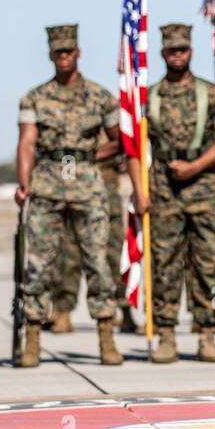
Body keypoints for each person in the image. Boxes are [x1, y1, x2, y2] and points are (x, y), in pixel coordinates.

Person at [16, 26, 123, 366]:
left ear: (78, 53)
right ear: (51, 56)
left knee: (97, 262)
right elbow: (27, 142)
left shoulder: (100, 96)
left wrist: (90, 155)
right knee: (39, 264)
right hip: (47, 184)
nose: (63, 57)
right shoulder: (35, 97)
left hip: (87, 186)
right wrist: (23, 183)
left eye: (68, 51)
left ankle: (106, 336)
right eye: (57, 52)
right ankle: (32, 336)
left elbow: (120, 139)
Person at [131, 22, 215, 362]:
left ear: (191, 52)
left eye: (183, 49)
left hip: (204, 188)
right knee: (165, 266)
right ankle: (165, 335)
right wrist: (139, 191)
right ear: (163, 53)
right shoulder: (150, 96)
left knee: (208, 266)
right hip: (163, 189)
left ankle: (208, 333)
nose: (178, 55)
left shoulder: (213, 94)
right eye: (171, 50)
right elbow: (134, 145)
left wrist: (196, 167)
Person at [49, 128, 132, 334]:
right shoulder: (67, 113)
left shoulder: (110, 111)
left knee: (115, 255)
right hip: (76, 189)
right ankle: (62, 311)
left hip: (106, 189)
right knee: (69, 255)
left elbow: (125, 143)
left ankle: (125, 311)